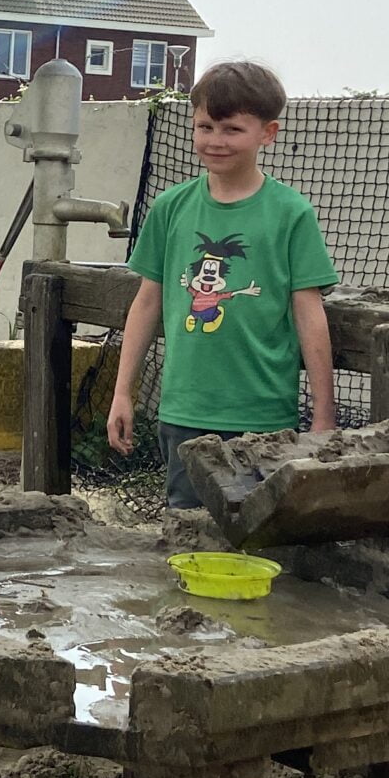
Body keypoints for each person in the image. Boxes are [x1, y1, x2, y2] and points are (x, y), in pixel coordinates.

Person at [106, 61, 338, 507]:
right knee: (188, 536)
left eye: (231, 129)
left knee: (262, 542)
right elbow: (147, 302)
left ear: (267, 133)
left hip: (265, 415)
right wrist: (122, 393)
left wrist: (324, 412)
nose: (215, 140)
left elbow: (309, 313)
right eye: (205, 126)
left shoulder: (292, 214)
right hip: (184, 412)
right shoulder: (171, 208)